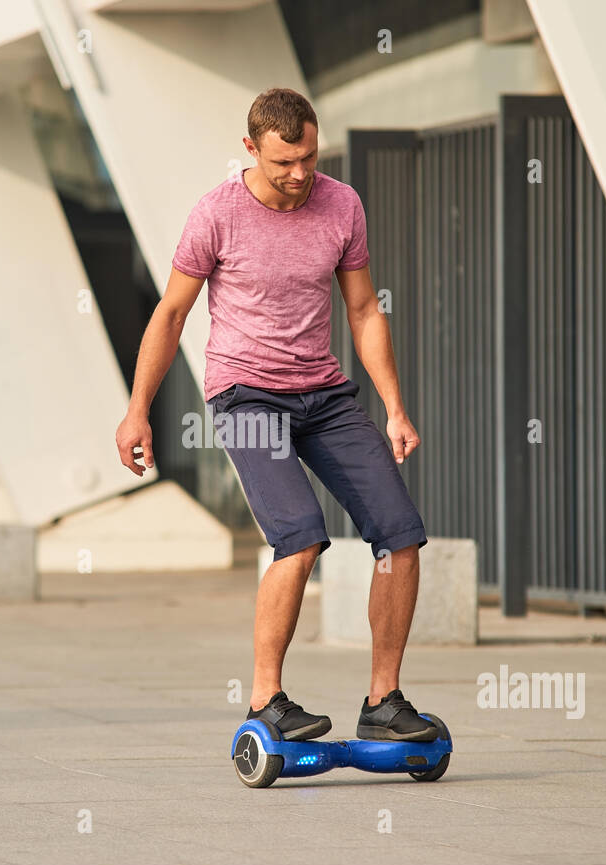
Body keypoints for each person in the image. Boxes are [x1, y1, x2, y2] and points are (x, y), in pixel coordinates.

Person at [114, 88, 436, 743]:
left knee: (400, 533)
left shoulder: (341, 203)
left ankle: (385, 698)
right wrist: (137, 411)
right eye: (285, 161)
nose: (299, 174)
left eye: (310, 158)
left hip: (322, 393)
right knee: (300, 534)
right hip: (245, 394)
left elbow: (365, 309)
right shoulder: (216, 214)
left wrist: (395, 408)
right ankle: (266, 698)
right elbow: (171, 313)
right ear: (251, 149)